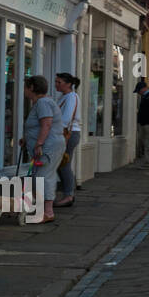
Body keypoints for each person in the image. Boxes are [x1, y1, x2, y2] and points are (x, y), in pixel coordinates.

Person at [22, 76, 66, 223]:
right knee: (44, 176)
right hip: (50, 145)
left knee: (43, 177)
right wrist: (28, 139)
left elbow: (46, 124)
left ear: (32, 88)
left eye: (26, 87)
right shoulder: (43, 102)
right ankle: (43, 211)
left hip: (48, 147)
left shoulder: (43, 103)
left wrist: (39, 143)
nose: (24, 91)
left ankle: (46, 213)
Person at [53, 73, 81, 207]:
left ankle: (69, 195)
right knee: (61, 164)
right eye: (56, 82)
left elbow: (66, 118)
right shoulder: (64, 97)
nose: (56, 84)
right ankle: (67, 193)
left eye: (59, 82)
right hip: (65, 133)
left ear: (68, 84)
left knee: (64, 164)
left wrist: (59, 133)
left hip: (68, 134)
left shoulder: (71, 97)